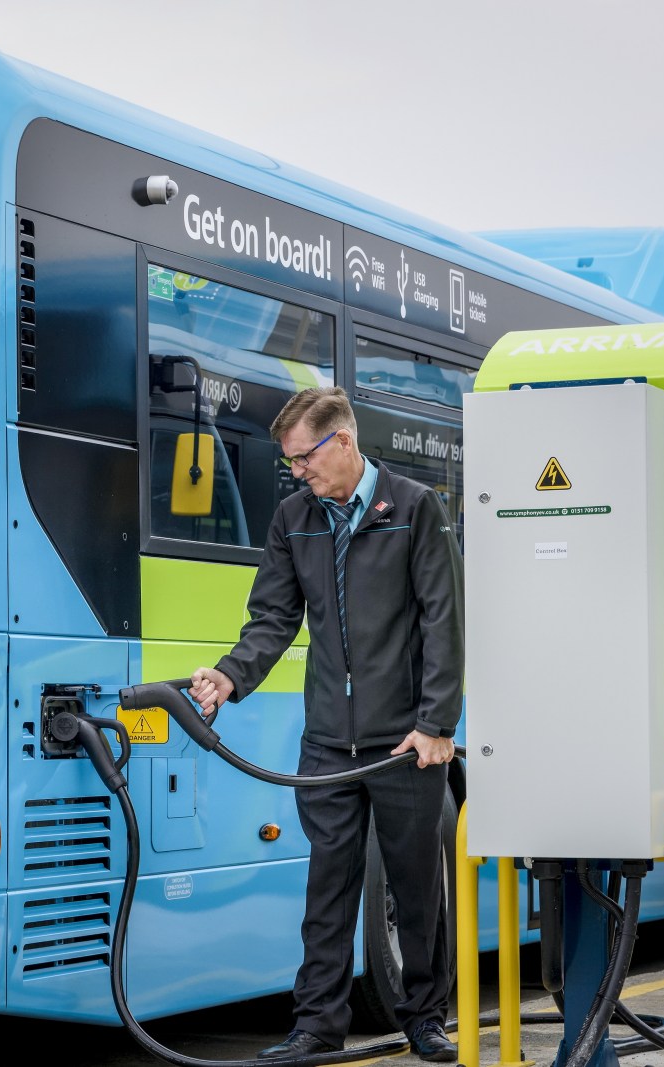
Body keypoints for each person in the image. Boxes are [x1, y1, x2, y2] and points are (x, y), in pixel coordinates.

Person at [189, 386, 464, 1062]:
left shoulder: (413, 508)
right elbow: (274, 616)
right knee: (328, 887)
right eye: (289, 464)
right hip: (328, 741)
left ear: (342, 440)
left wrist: (435, 722)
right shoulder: (294, 518)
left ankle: (426, 1017)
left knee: (416, 883)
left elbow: (443, 620)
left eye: (303, 458)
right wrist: (231, 675)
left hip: (404, 742)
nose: (296, 472)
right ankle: (317, 1025)